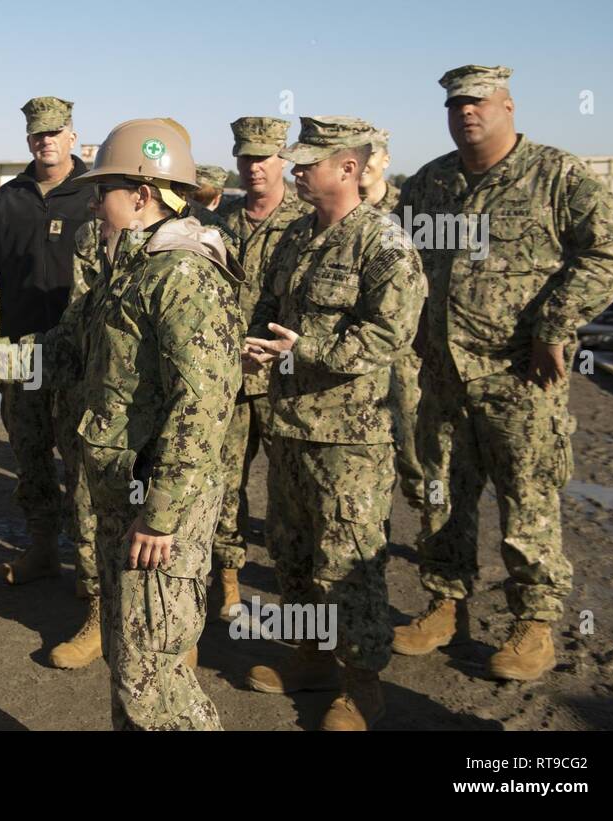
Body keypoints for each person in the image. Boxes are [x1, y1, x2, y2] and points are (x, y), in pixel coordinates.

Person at [391, 66, 613, 681]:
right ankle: (446, 602)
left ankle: (534, 623)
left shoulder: (557, 175)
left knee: (527, 497)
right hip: (444, 374)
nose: (466, 113)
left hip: (520, 375)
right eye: (455, 106)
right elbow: (404, 259)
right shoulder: (430, 184)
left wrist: (555, 323)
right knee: (442, 493)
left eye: (478, 103)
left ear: (507, 105)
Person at [243, 116, 424, 730]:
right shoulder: (297, 237)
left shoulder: (383, 244)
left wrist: (306, 349)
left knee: (347, 564)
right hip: (290, 426)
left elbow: (389, 334)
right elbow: (272, 305)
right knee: (293, 555)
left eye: (308, 163)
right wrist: (257, 342)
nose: (296, 171)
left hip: (351, 437)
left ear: (348, 168)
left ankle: (361, 685)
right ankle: (311, 657)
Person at [68, 118, 241, 728]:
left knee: (153, 673)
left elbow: (203, 405)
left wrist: (161, 514)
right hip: (127, 495)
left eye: (106, 189)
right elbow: (70, 345)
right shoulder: (133, 270)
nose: (94, 201)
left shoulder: (182, 275)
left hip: (158, 509)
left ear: (143, 196)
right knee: (128, 657)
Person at [0, 95, 102, 669]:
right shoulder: (8, 200)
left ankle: (96, 585)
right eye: (37, 135)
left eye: (55, 133)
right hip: (20, 359)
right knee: (29, 460)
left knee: (84, 472)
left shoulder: (99, 195)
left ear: (73, 136)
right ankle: (41, 551)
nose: (46, 142)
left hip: (79, 361)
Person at [208, 117, 311, 621]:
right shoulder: (219, 222)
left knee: (290, 491)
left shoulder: (306, 222)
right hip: (228, 378)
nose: (254, 167)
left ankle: (297, 591)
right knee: (225, 484)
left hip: (285, 380)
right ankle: (226, 578)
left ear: (283, 161)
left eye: (264, 158)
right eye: (246, 157)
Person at [358, 128, 424, 514]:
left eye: (374, 155)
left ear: (386, 160)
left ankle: (429, 520)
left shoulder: (411, 211)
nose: (366, 163)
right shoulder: (332, 213)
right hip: (354, 353)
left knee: (416, 445)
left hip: (405, 355)